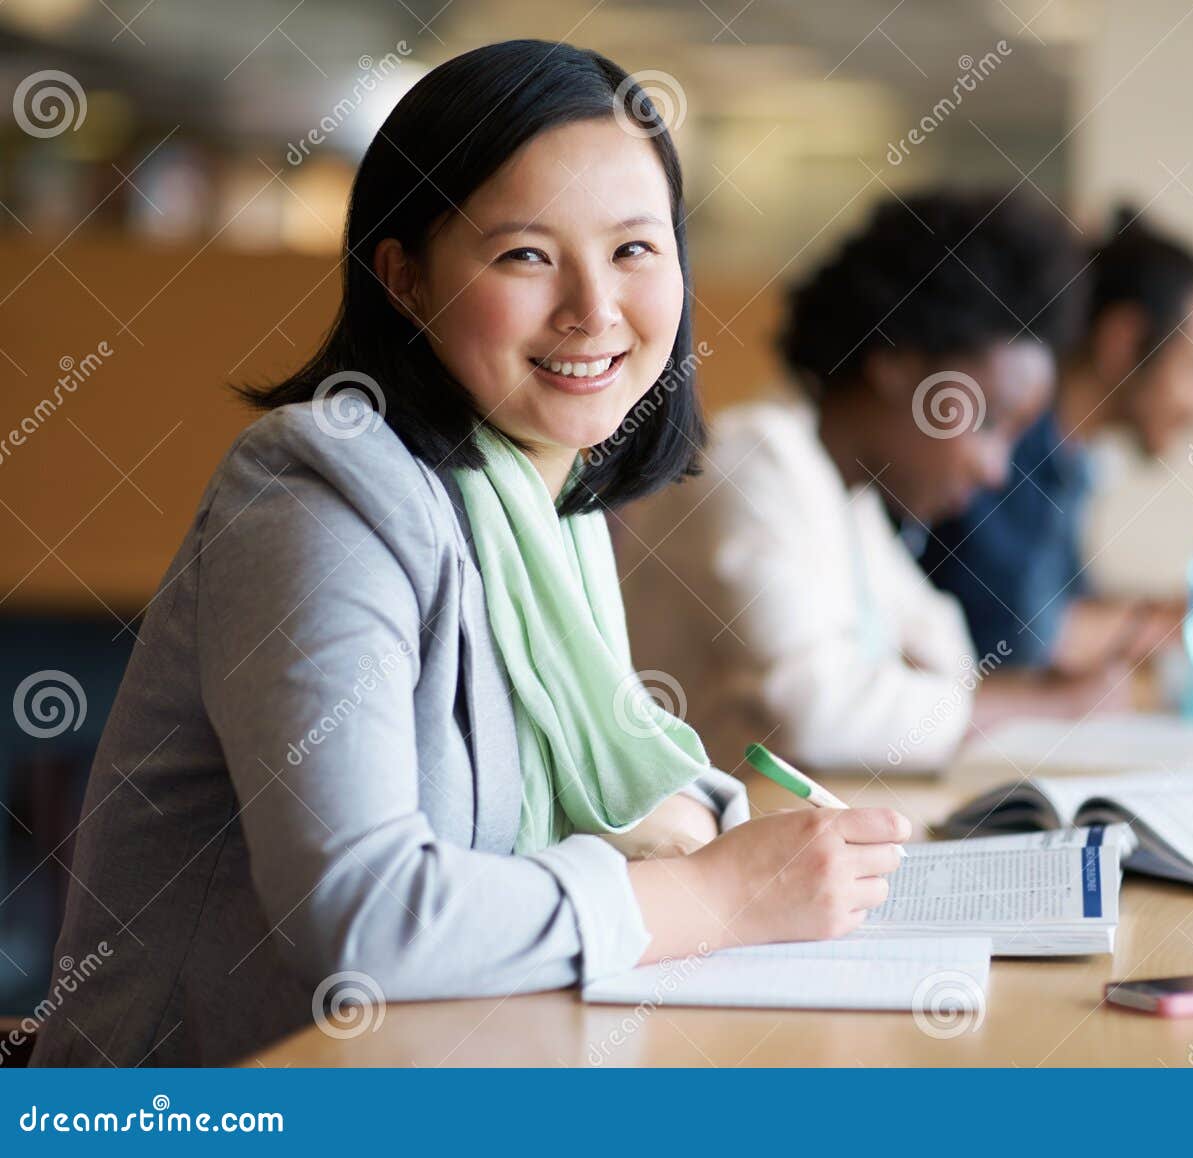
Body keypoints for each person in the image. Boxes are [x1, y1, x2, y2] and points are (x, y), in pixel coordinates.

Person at [31, 40, 908, 1068]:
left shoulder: (553, 512)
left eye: (634, 248)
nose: (594, 309)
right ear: (405, 280)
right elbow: (362, 919)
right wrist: (711, 895)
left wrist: (697, 837)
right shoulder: (315, 501)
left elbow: (621, 795)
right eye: (526, 255)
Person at [616, 190, 1105, 778]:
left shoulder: (852, 499)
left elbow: (949, 658)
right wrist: (1049, 704)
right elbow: (819, 713)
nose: (995, 469)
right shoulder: (754, 460)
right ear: (897, 363)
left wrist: (929, 697)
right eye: (988, 422)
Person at [919, 209, 1193, 675]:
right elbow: (1015, 640)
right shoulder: (1008, 446)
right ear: (1123, 340)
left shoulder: (1072, 462)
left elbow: (1071, 609)